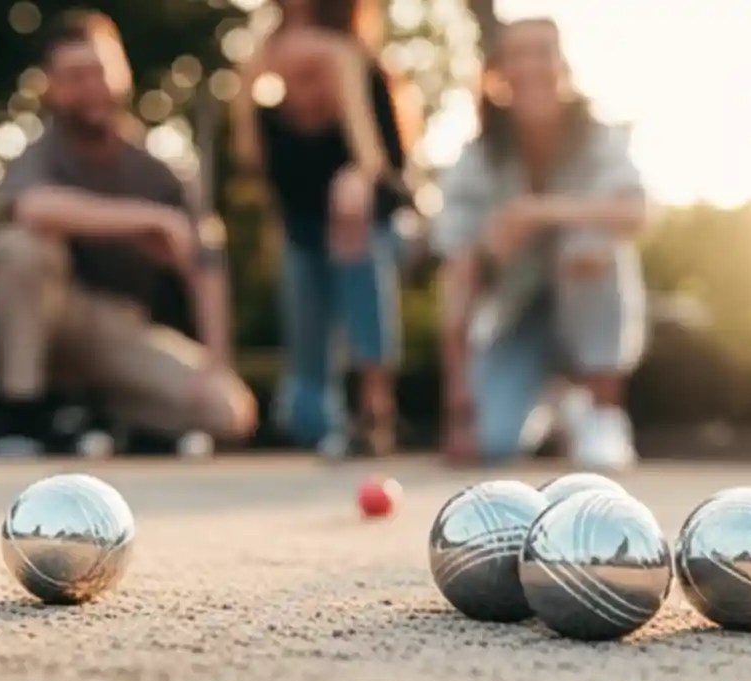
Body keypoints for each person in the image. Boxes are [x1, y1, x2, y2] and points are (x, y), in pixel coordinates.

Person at [0, 11, 256, 453]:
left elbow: (205, 261)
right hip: (49, 319)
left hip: (118, 326)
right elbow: (32, 208)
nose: (90, 87)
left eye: (99, 71)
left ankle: (96, 419)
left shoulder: (160, 170)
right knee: (19, 248)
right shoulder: (41, 153)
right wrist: (147, 219)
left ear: (123, 72)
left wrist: (216, 362)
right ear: (50, 85)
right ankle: (21, 413)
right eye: (74, 76)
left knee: (228, 410)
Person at [434, 18, 648, 470]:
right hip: (519, 319)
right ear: (499, 73)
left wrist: (535, 212)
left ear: (563, 66)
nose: (531, 66)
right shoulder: (478, 157)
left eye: (542, 52)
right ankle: (555, 405)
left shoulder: (598, 137)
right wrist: (459, 406)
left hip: (588, 308)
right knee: (490, 445)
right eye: (518, 54)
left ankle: (603, 413)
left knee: (585, 241)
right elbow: (458, 276)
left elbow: (636, 213)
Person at [233, 0, 409, 458]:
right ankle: (317, 416)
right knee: (303, 281)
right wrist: (251, 75)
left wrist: (355, 177)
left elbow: (381, 165)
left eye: (317, 71)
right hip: (305, 235)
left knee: (357, 243)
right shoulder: (271, 118)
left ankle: (375, 404)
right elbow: (250, 159)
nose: (305, 83)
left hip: (371, 229)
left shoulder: (362, 69)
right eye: (296, 73)